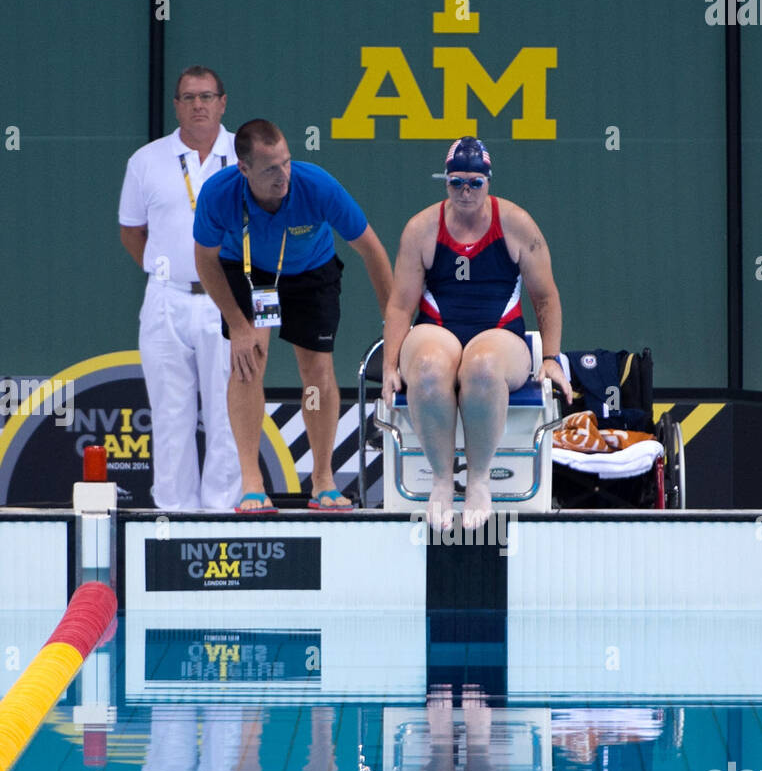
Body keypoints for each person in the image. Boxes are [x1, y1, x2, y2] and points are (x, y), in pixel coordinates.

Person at [193, 119, 393, 512]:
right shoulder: (219, 194)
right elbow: (205, 263)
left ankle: (322, 479)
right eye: (270, 169)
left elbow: (371, 250)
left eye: (286, 162)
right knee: (248, 363)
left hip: (309, 272)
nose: (283, 175)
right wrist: (238, 325)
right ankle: (252, 481)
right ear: (244, 169)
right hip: (248, 271)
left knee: (317, 372)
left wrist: (394, 324)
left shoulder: (316, 185)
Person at [381, 136, 570, 529]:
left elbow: (546, 297)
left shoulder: (516, 223)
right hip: (436, 329)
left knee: (482, 367)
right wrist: (388, 366)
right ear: (445, 182)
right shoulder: (421, 228)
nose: (465, 192)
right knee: (430, 369)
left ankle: (479, 480)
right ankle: (441, 480)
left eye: (474, 183)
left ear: (488, 182)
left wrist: (550, 358)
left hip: (500, 333)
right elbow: (401, 304)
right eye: (456, 183)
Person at [118, 65, 241, 511]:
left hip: (227, 300)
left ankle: (221, 513)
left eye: (207, 96)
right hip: (167, 299)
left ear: (223, 102)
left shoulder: (244, 157)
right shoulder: (147, 160)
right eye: (188, 97)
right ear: (176, 106)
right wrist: (169, 271)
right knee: (170, 415)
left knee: (228, 413)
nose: (198, 105)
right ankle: (172, 515)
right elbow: (132, 232)